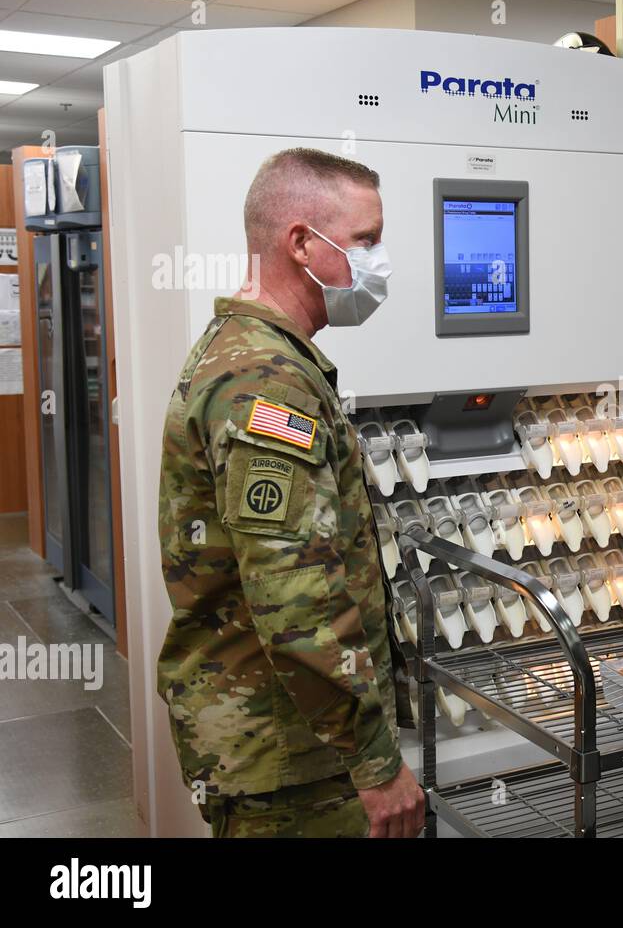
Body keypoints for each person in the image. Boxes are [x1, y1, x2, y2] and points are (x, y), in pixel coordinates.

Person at [156, 148, 425, 838]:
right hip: (291, 757)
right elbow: (293, 594)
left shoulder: (262, 357)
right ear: (302, 243)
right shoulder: (264, 382)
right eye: (366, 239)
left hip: (291, 740)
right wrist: (373, 761)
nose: (380, 259)